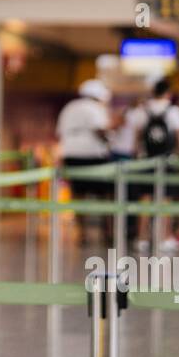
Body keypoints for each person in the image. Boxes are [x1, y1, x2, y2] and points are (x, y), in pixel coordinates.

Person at [125, 78, 179, 250]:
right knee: (165, 200)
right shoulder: (174, 111)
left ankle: (142, 238)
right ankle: (164, 237)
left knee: (145, 199)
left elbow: (137, 138)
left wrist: (137, 157)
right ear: (168, 92)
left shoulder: (142, 110)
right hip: (167, 161)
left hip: (146, 161)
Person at [57, 79, 112, 242]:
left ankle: (82, 233)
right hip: (94, 156)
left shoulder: (69, 108)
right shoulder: (95, 108)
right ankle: (106, 232)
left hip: (71, 155)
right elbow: (100, 131)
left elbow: (60, 133)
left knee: (78, 194)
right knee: (104, 196)